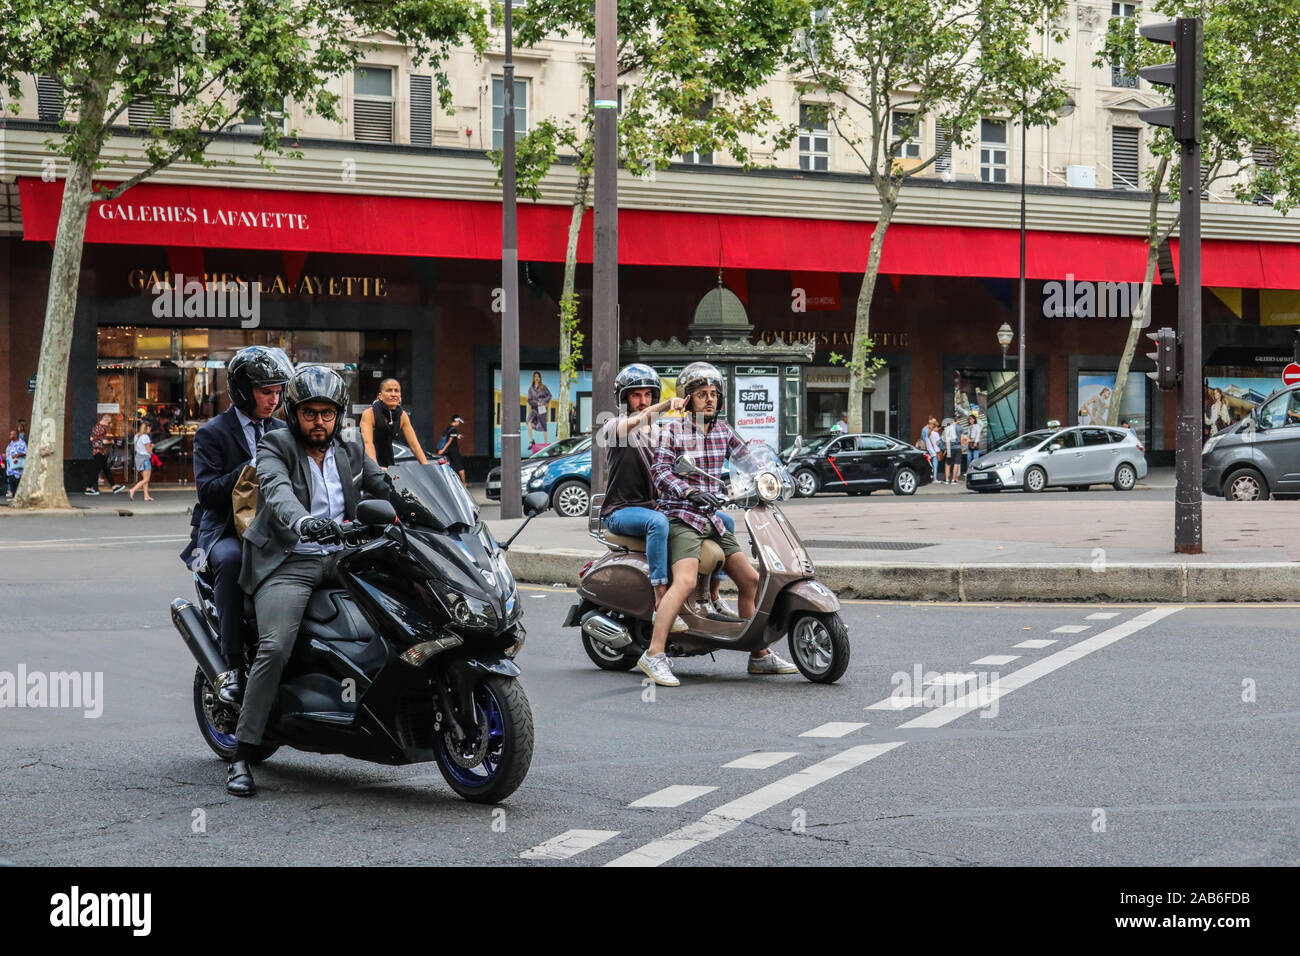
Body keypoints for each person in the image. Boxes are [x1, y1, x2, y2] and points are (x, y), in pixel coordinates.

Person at [226, 365, 391, 796]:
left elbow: (386, 486)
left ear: (339, 414)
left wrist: (437, 510)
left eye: (328, 414)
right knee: (275, 645)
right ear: (293, 412)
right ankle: (243, 754)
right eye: (310, 413)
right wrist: (303, 522)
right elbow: (277, 492)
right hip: (289, 560)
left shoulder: (352, 446)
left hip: (345, 557)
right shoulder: (275, 445)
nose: (320, 422)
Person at [644, 362, 797, 687]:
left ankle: (759, 655)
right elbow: (659, 471)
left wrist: (773, 475)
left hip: (712, 518)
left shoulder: (724, 431)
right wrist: (690, 490)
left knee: (751, 580)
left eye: (714, 394)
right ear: (687, 399)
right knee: (684, 582)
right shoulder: (672, 430)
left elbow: (749, 461)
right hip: (682, 516)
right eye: (702, 395)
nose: (709, 400)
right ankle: (654, 654)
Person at [189, 345, 294, 707]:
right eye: (267, 392)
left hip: (274, 527)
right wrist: (251, 465)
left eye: (278, 391)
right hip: (223, 530)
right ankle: (231, 663)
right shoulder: (212, 433)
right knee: (233, 561)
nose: (274, 399)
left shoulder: (284, 430)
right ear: (243, 391)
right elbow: (208, 494)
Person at [360, 378, 429, 468]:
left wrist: (426, 467)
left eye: (396, 391)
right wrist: (375, 469)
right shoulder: (369, 414)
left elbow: (414, 445)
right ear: (380, 396)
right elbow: (367, 443)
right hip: (367, 464)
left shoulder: (402, 416)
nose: (393, 394)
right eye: (389, 390)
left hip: (388, 463)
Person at [85, 414, 124, 495]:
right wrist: (111, 441)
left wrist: (96, 442)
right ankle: (88, 489)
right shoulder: (102, 429)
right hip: (100, 451)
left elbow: (91, 438)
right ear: (105, 420)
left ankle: (114, 487)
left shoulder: (96, 427)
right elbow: (104, 442)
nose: (109, 424)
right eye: (108, 422)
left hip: (97, 451)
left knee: (105, 469)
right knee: (96, 471)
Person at [128, 422, 155, 501]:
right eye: (149, 428)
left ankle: (146, 496)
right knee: (146, 479)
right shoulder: (145, 437)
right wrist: (152, 446)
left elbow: (135, 449)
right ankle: (132, 490)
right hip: (145, 458)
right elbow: (149, 450)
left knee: (144, 479)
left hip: (138, 458)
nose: (150, 430)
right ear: (147, 428)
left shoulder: (136, 436)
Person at [437, 415, 467, 485]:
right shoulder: (454, 429)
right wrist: (442, 450)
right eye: (459, 422)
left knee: (452, 466)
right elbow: (450, 440)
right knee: (460, 467)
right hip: (453, 450)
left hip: (449, 451)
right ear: (456, 421)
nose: (459, 423)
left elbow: (450, 436)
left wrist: (457, 436)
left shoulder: (449, 428)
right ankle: (464, 483)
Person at [526, 372, 552, 451]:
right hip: (534, 408)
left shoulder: (543, 387)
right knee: (528, 421)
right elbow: (529, 400)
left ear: (540, 378)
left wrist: (543, 402)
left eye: (538, 376)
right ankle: (531, 441)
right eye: (535, 376)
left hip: (542, 408)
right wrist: (536, 403)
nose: (536, 378)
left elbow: (549, 396)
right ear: (533, 378)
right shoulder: (531, 388)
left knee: (544, 426)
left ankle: (546, 443)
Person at [5, 428, 25, 498]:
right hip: (10, 468)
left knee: (17, 483)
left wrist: (18, 455)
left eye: (12, 434)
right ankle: (14, 497)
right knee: (11, 483)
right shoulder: (11, 443)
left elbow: (26, 452)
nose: (10, 435)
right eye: (10, 434)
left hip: (17, 468)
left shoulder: (21, 443)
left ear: (16, 435)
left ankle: (17, 497)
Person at [942, 417, 961, 484]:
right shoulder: (960, 428)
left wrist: (946, 449)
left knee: (947, 463)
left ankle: (947, 480)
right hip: (958, 447)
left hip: (950, 448)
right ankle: (953, 480)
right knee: (956, 463)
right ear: (957, 421)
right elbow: (962, 438)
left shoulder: (948, 428)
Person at [924, 418, 942, 483]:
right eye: (938, 428)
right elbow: (937, 443)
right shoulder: (935, 433)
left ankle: (929, 478)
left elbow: (926, 442)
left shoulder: (928, 432)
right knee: (935, 466)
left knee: (930, 466)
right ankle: (934, 479)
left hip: (929, 451)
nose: (939, 430)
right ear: (936, 427)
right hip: (935, 452)